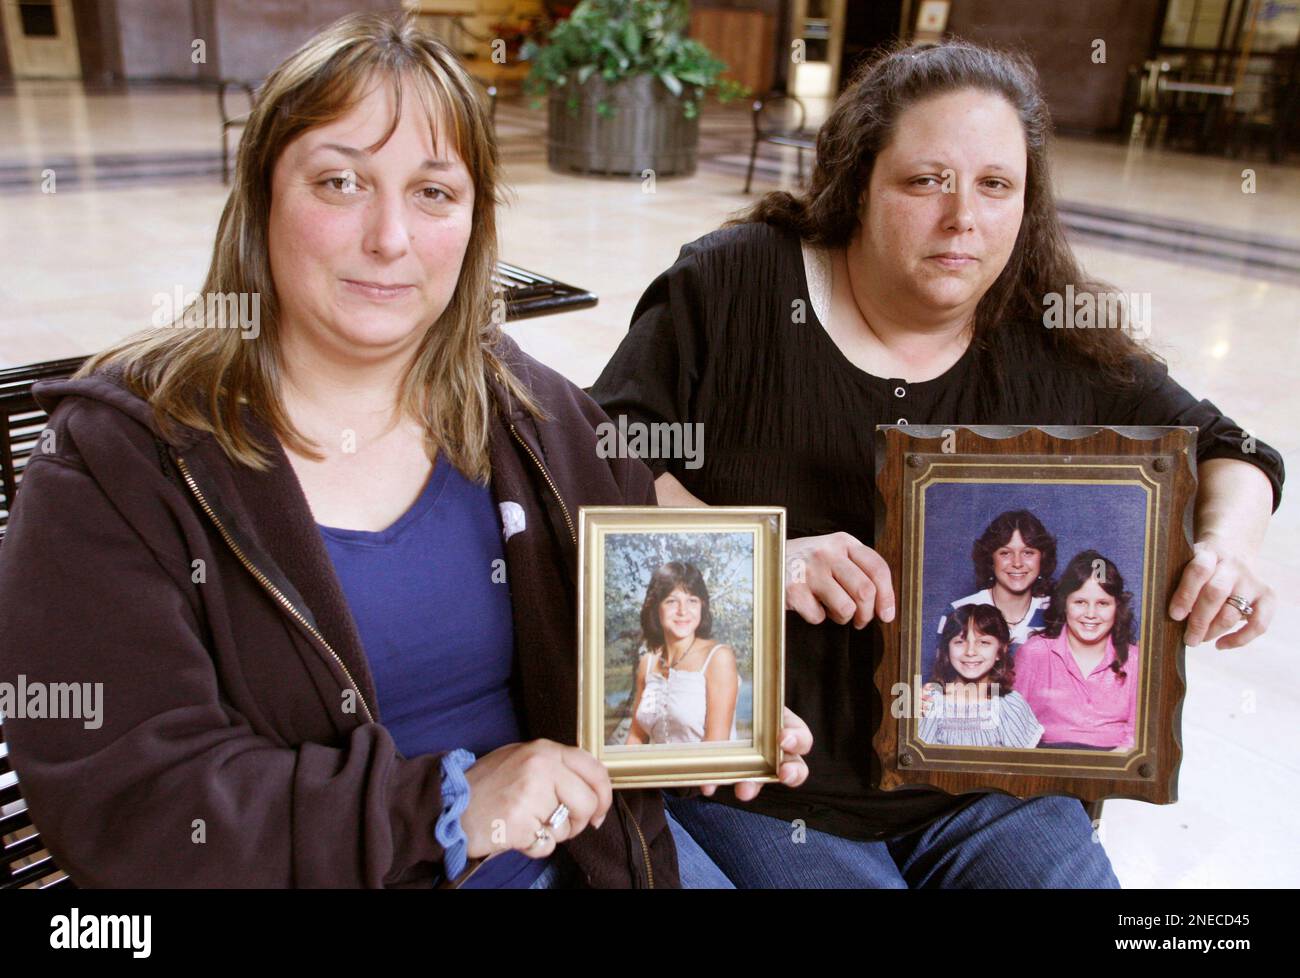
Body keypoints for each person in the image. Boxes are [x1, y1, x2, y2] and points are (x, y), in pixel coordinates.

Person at [0, 13, 814, 889]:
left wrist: (711, 699)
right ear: (261, 198)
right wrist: (447, 806)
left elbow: (633, 532)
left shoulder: (519, 405)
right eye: (340, 182)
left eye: (433, 192)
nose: (389, 237)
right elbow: (139, 806)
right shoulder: (120, 458)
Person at [590, 39, 1284, 887]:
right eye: (926, 181)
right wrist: (755, 555)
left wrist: (1225, 549)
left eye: (996, 186)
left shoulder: (1047, 329)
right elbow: (600, 451)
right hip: (771, 784)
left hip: (993, 783)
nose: (964, 218)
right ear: (857, 183)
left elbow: (1232, 449)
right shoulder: (735, 285)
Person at [1015, 552, 1140, 752]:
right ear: (1064, 604)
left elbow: (1137, 736)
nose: (1091, 614)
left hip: (1115, 765)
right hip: (1046, 762)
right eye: (1080, 602)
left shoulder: (1135, 660)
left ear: (1117, 607)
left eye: (1102, 603)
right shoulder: (1034, 653)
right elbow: (1012, 724)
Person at [625, 562, 740, 745]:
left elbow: (716, 747)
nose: (683, 611)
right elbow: (636, 736)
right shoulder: (647, 663)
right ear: (656, 608)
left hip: (706, 773)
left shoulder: (718, 658)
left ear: (702, 605)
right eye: (671, 601)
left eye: (692, 600)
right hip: (652, 773)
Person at [934, 510, 1055, 669]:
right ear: (991, 559)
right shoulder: (959, 611)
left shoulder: (1055, 611)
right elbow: (945, 680)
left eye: (1028, 552)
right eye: (1005, 553)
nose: (1017, 562)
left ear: (1043, 558)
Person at [919, 604, 1043, 748]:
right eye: (960, 642)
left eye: (983, 642)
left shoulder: (1010, 705)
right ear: (947, 650)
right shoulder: (930, 702)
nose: (970, 652)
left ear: (1000, 651)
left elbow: (1022, 767)